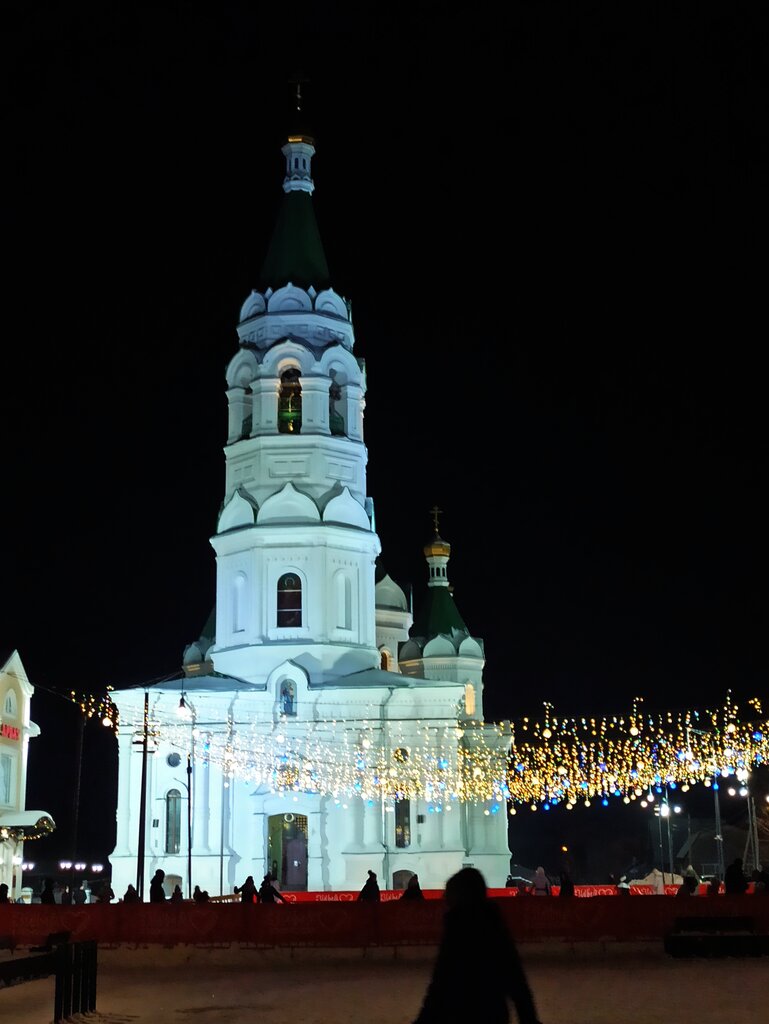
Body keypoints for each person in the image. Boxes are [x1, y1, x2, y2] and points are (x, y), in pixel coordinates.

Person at [411, 867, 542, 1024]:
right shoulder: (496, 927)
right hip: (494, 1013)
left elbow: (439, 983)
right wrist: (529, 1018)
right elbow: (516, 981)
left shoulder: (456, 930)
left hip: (459, 1013)